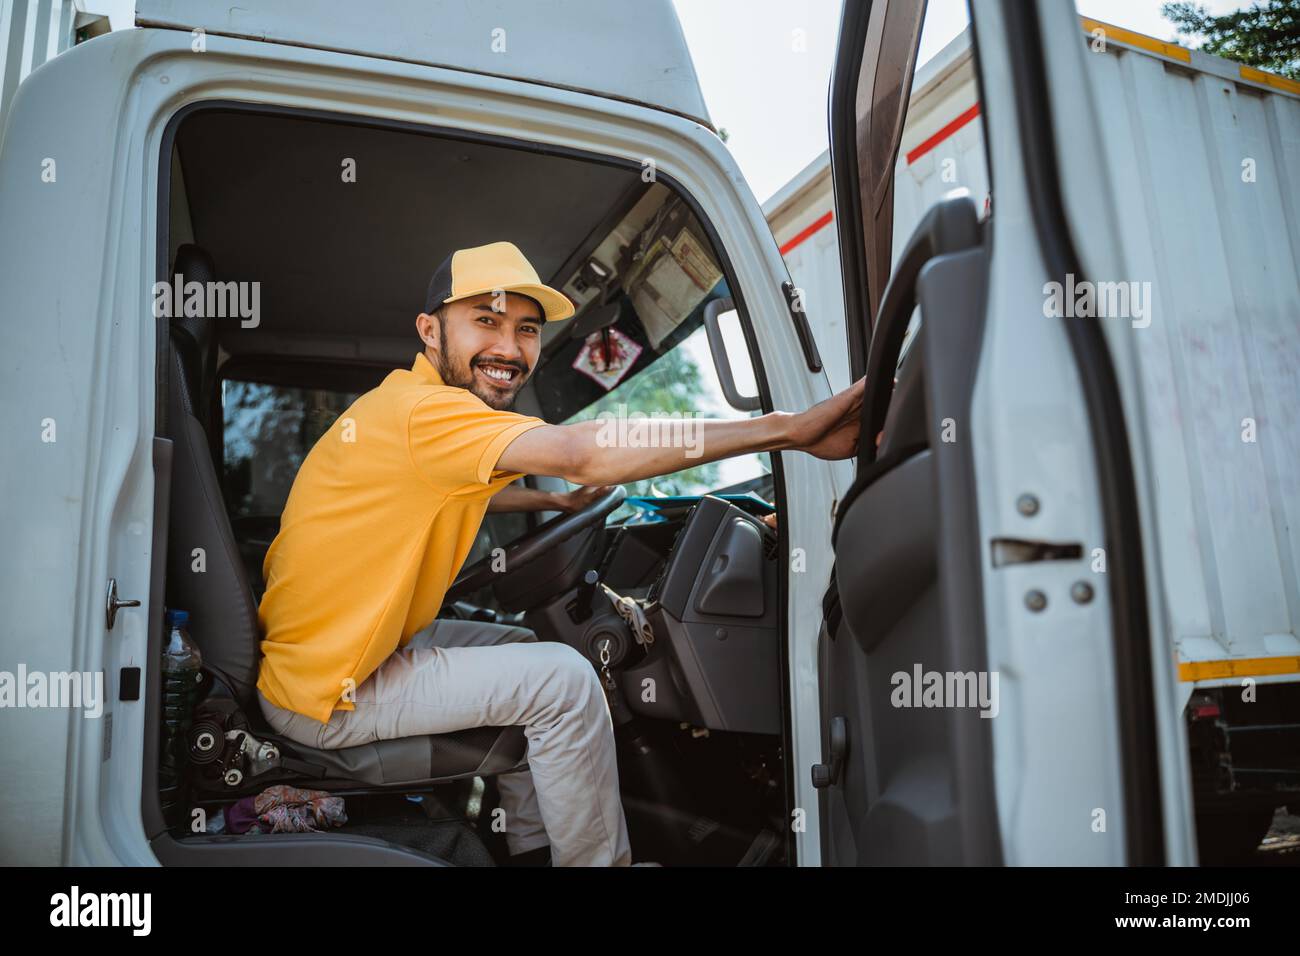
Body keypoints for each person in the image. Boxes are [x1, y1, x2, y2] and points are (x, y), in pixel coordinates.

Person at [255, 240, 864, 866]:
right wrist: (788, 429)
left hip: (321, 659)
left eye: (525, 330)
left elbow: (467, 490)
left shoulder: (412, 410)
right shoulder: (426, 414)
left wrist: (563, 509)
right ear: (429, 330)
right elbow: (582, 454)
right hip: (329, 694)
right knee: (566, 682)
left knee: (524, 652)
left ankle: (533, 850)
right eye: (485, 322)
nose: (509, 349)